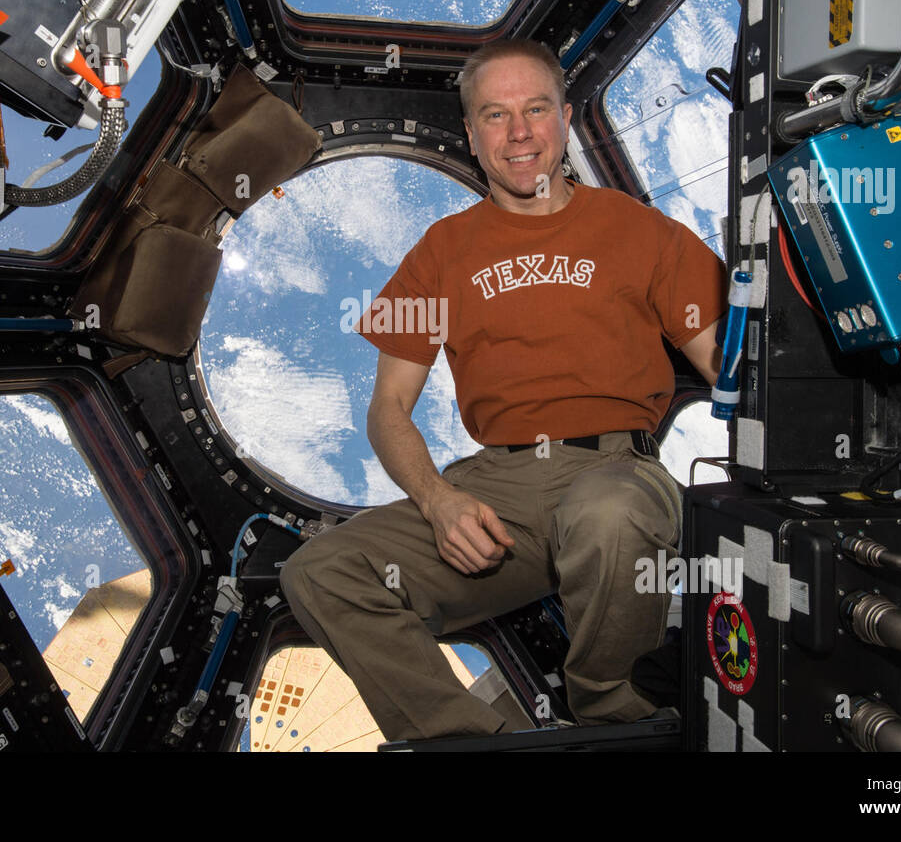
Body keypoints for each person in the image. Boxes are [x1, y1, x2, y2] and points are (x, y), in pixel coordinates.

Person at [279, 38, 727, 742]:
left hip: (615, 469)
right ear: (470, 133)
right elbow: (387, 407)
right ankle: (466, 742)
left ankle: (614, 714)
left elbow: (726, 365)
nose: (519, 133)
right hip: (501, 487)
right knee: (323, 570)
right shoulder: (440, 250)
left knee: (609, 512)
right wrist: (439, 499)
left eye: (536, 109)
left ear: (566, 117)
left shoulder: (639, 230)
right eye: (495, 114)